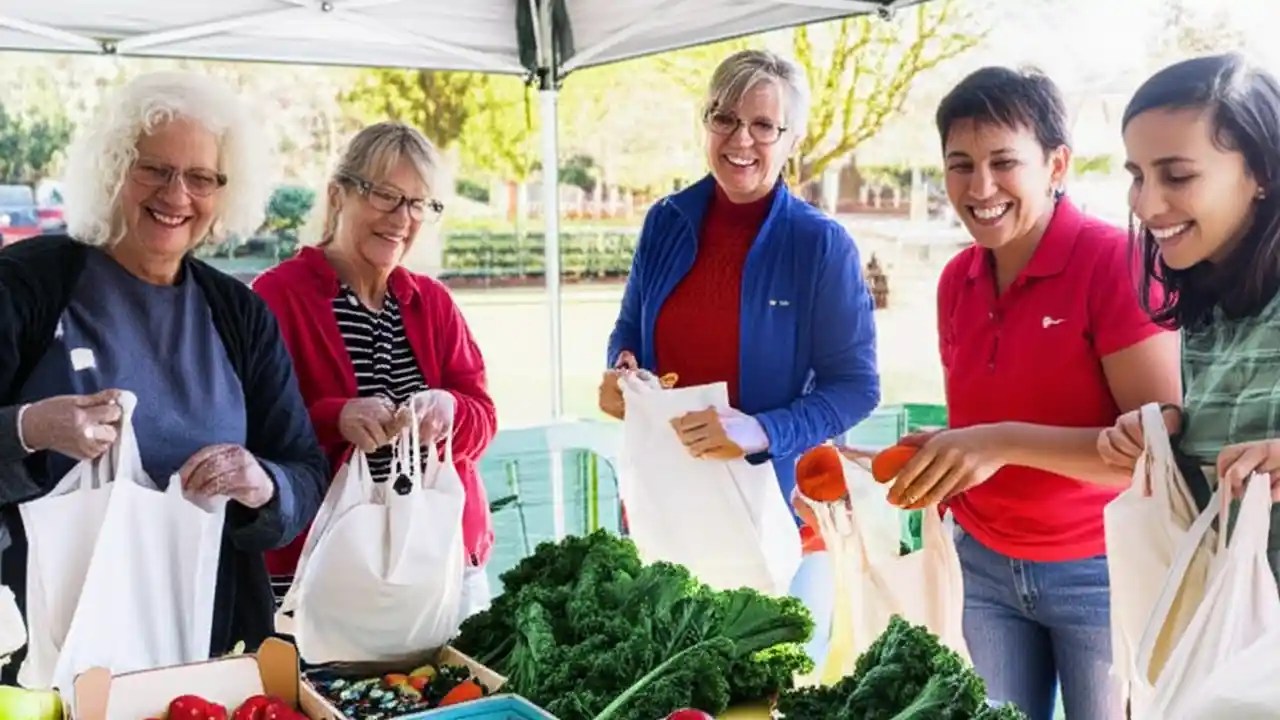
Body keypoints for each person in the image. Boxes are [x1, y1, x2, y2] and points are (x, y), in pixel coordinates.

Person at [875, 67, 1181, 719]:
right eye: (960, 165)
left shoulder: (1114, 263)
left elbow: (1156, 452)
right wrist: (949, 452)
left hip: (1100, 571)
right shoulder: (956, 278)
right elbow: (994, 428)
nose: (980, 188)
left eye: (1003, 162)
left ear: (1056, 163)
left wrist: (995, 443)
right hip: (980, 567)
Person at [0, 71, 328, 676]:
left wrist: (262, 484)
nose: (177, 194)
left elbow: (304, 469)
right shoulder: (26, 283)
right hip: (48, 643)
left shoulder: (240, 314)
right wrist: (29, 427)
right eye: (153, 168)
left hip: (210, 637)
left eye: (201, 176)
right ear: (113, 170)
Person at [599, 48, 880, 510]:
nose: (740, 139)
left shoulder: (821, 245)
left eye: (764, 126)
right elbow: (629, 328)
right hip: (666, 494)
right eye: (724, 118)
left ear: (794, 140)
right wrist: (622, 370)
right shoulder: (665, 221)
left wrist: (761, 430)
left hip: (780, 504)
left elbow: (856, 388)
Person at [253, 121, 498, 617]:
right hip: (318, 570)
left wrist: (450, 410)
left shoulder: (432, 302)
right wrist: (335, 418)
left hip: (440, 560)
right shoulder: (275, 297)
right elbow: (251, 427)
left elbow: (483, 419)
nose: (401, 218)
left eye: (417, 204)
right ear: (338, 194)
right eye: (386, 196)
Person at [1099, 54, 1280, 587]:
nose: (1147, 204)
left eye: (1177, 175)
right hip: (1233, 625)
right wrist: (1168, 432)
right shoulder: (1206, 300)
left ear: (1263, 173)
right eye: (1137, 176)